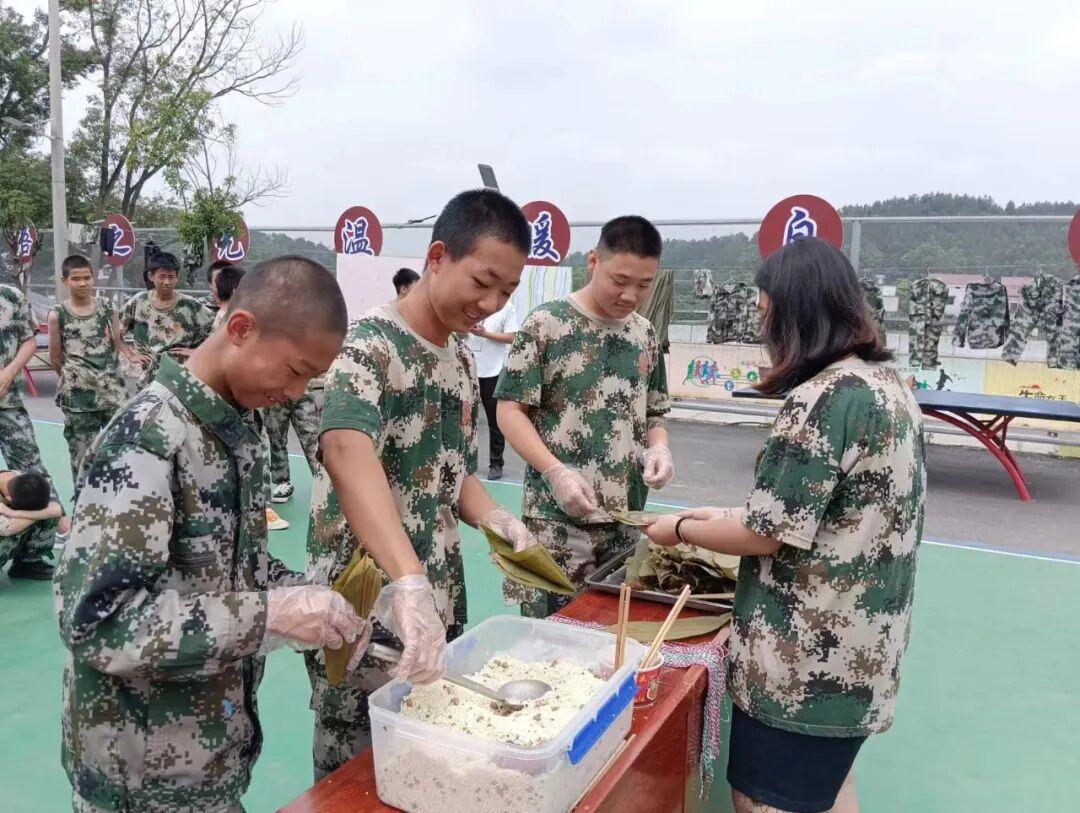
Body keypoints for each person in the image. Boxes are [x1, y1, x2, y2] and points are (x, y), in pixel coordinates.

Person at [55, 256, 367, 813]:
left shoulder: (232, 430)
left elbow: (237, 564)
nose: (297, 393)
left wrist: (317, 599)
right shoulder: (148, 440)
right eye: (295, 371)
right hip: (142, 779)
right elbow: (99, 624)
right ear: (241, 328)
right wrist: (270, 615)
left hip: (208, 760)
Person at [644, 237, 925, 813]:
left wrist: (681, 529)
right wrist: (716, 515)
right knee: (830, 787)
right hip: (863, 648)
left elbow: (764, 535)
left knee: (767, 799)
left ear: (795, 314)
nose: (761, 325)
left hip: (804, 657)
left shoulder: (822, 399)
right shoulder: (886, 386)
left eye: (765, 311)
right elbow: (816, 511)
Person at [305, 189, 539, 780]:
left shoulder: (460, 356)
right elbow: (344, 449)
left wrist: (495, 518)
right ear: (437, 257)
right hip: (367, 608)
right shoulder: (370, 346)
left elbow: (453, 473)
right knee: (356, 770)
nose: (490, 304)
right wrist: (408, 581)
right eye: (482, 282)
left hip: (435, 599)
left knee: (425, 760)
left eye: (507, 292)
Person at [496, 215, 673, 618]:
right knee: (550, 634)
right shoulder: (547, 324)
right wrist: (555, 472)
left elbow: (655, 412)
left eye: (644, 284)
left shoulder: (644, 334)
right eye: (620, 280)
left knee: (611, 630)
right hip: (557, 523)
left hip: (626, 518)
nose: (630, 295)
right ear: (593, 261)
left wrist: (659, 450)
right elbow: (510, 411)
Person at [210, 263, 291, 532]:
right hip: (240, 402)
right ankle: (261, 508)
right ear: (238, 290)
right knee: (255, 452)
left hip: (238, 402)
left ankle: (255, 507)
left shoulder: (228, 318)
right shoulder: (232, 322)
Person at [49, 254, 134, 492]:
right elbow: (56, 359)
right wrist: (77, 380)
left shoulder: (108, 308)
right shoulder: (58, 314)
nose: (83, 283)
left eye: (87, 278)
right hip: (79, 402)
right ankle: (82, 505)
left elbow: (117, 345)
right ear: (65, 280)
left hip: (113, 397)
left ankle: (117, 502)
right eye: (76, 279)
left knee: (119, 451)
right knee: (82, 459)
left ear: (93, 278)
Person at [0, 279, 62, 579]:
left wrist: (8, 373)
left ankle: (32, 557)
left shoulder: (11, 296)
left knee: (34, 479)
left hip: (8, 403)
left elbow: (29, 340)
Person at [121, 251, 215, 387]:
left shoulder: (190, 305)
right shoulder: (139, 301)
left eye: (171, 277)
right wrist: (130, 355)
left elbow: (219, 330)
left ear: (178, 277)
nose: (166, 282)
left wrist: (196, 352)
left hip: (181, 379)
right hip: (148, 379)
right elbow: (113, 330)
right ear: (151, 276)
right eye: (162, 277)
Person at [465, 298, 519, 480]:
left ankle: (496, 464)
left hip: (492, 371)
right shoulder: (470, 303)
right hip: (467, 368)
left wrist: (485, 333)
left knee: (495, 421)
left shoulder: (507, 308)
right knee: (464, 419)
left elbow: (513, 337)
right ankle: (463, 462)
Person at [0, 470, 62, 539]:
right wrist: (36, 514)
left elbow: (57, 510)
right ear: (9, 499)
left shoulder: (24, 480)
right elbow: (8, 530)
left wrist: (11, 512)